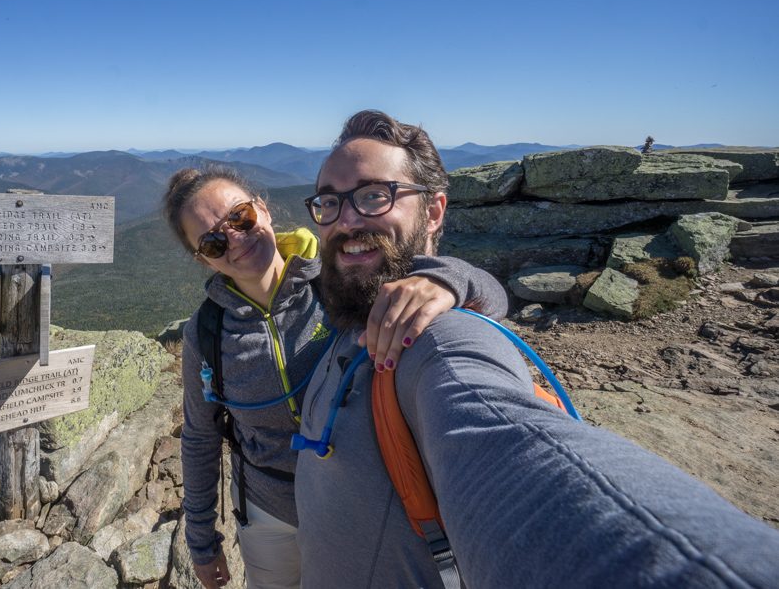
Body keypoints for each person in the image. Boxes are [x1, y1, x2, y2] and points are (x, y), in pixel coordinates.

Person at [295, 109, 779, 588]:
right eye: (329, 202)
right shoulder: (350, 303)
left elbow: (512, 443)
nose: (346, 220)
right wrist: (465, 277)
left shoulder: (436, 343)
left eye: (374, 195)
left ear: (434, 211)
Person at [163, 166, 508, 589]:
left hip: (358, 504)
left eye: (241, 217)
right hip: (267, 513)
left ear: (264, 210)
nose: (235, 239)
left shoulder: (343, 280)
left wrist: (446, 282)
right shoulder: (206, 332)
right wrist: (202, 541)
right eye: (214, 242)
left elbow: (491, 296)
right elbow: (200, 437)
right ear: (203, 259)